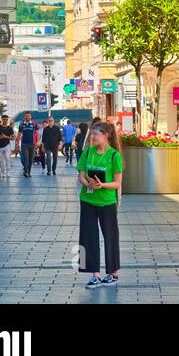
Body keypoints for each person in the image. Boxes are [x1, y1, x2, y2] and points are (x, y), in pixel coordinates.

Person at [76, 121, 123, 288]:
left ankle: (113, 273)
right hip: (87, 200)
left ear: (106, 135)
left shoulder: (114, 155)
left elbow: (117, 183)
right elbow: (81, 176)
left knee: (111, 237)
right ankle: (94, 274)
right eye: (92, 133)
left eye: (96, 133)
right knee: (88, 237)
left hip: (107, 202)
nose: (93, 137)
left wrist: (102, 185)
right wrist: (87, 184)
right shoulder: (87, 153)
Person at [15, 113, 37, 178]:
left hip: (32, 144)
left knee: (30, 159)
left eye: (28, 116)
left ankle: (28, 172)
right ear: (25, 117)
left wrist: (38, 141)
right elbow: (19, 134)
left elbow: (38, 133)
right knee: (26, 158)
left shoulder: (34, 124)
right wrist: (17, 143)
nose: (27, 117)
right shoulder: (22, 124)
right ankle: (26, 172)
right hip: (24, 144)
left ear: (31, 116)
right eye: (26, 116)